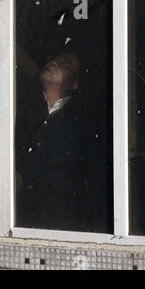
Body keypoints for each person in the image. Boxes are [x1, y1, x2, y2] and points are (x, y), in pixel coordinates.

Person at [16, 51, 109, 231]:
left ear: (73, 83)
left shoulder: (80, 124)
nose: (54, 63)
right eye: (53, 58)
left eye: (64, 63)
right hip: (20, 216)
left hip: (60, 222)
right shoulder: (22, 105)